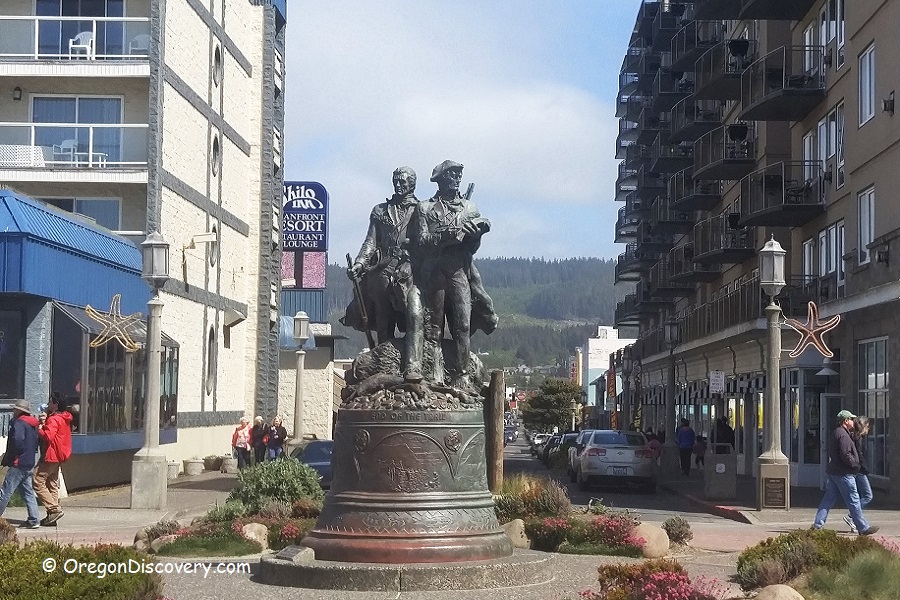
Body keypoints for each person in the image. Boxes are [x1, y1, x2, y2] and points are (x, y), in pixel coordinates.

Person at [412, 160, 498, 387]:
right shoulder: (425, 208)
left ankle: (461, 375)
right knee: (434, 328)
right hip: (434, 273)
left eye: (459, 175)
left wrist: (475, 235)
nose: (456, 178)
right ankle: (433, 374)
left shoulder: (469, 208)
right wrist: (447, 235)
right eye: (451, 174)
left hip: (459, 270)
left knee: (462, 325)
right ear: (440, 178)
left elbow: (472, 249)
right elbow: (421, 242)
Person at [343, 167, 426, 380]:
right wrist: (360, 264)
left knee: (411, 314)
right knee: (383, 318)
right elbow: (370, 241)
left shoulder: (422, 210)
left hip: (409, 269)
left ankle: (412, 363)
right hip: (381, 269)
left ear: (413, 184)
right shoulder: (380, 210)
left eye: (403, 182)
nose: (398, 185)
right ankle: (384, 365)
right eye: (396, 181)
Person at [813, 410, 878, 535]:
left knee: (828, 499)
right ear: (845, 421)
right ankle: (863, 527)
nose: (854, 421)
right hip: (844, 473)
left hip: (835, 472)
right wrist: (856, 464)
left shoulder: (839, 433)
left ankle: (817, 524)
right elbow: (845, 454)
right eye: (851, 419)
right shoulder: (842, 435)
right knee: (853, 500)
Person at [0, 399, 41, 528]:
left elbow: (17, 442)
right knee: (28, 492)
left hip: (18, 462)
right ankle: (34, 519)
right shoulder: (33, 425)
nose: (13, 411)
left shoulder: (19, 423)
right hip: (29, 462)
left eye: (14, 409)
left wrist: (9, 458)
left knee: (5, 491)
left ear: (19, 410)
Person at [35, 392, 72, 526]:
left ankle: (53, 509)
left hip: (51, 455)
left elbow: (48, 436)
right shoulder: (63, 417)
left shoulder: (54, 419)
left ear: (55, 404)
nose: (48, 404)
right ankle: (52, 517)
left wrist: (39, 427)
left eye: (50, 402)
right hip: (59, 455)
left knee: (37, 480)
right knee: (51, 483)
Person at [843, 416, 873, 533]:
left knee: (856, 497)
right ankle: (851, 516)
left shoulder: (855, 437)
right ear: (863, 426)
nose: (869, 428)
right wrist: (864, 468)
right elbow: (859, 456)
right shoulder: (857, 438)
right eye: (868, 426)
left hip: (856, 470)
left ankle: (855, 520)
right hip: (859, 470)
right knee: (867, 496)